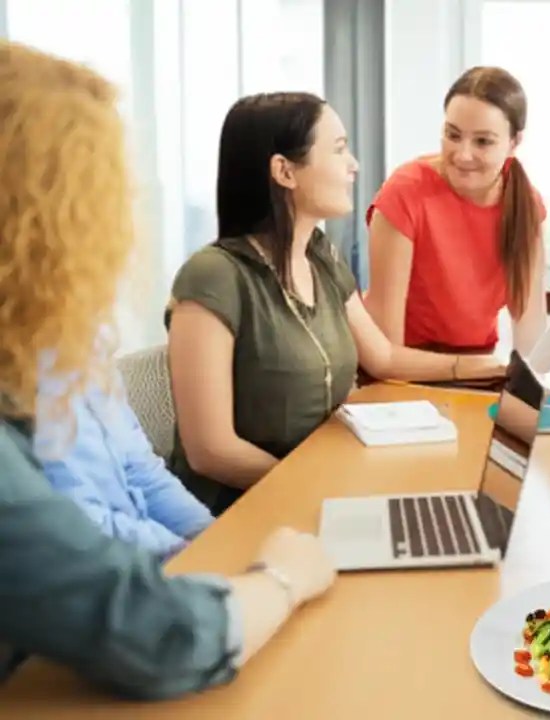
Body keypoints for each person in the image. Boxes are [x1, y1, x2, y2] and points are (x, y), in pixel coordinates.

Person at [0, 40, 334, 698]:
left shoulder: (69, 334)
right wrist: (277, 579)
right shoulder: (214, 276)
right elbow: (155, 631)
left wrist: (222, 551)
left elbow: (138, 473)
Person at [167, 93, 505, 515]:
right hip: (242, 511)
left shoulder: (320, 255)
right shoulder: (213, 277)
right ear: (284, 171)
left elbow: (381, 357)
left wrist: (487, 368)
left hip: (320, 489)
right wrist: (322, 489)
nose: (354, 165)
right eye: (339, 149)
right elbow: (210, 450)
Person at [365, 67, 547, 356]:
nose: (463, 155)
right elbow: (386, 348)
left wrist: (531, 382)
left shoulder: (526, 202)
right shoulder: (404, 194)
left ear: (514, 143)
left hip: (476, 364)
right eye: (453, 135)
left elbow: (530, 324)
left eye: (483, 141)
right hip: (407, 366)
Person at [35, 364, 214, 559]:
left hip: (145, 559)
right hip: (92, 571)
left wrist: (207, 533)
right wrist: (175, 548)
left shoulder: (88, 357)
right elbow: (79, 522)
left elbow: (144, 473)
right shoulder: (22, 396)